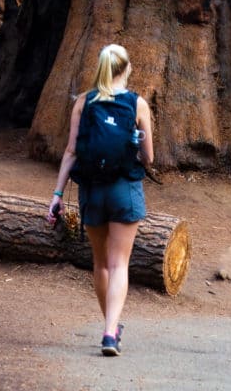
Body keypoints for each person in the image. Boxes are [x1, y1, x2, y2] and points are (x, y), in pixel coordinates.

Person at [46, 43, 154, 357]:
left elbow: (71, 152)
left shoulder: (83, 102)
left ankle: (109, 326)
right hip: (124, 190)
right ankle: (110, 332)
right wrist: (139, 143)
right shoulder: (137, 104)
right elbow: (148, 158)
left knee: (100, 263)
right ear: (127, 68)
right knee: (119, 263)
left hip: (91, 190)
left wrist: (56, 194)